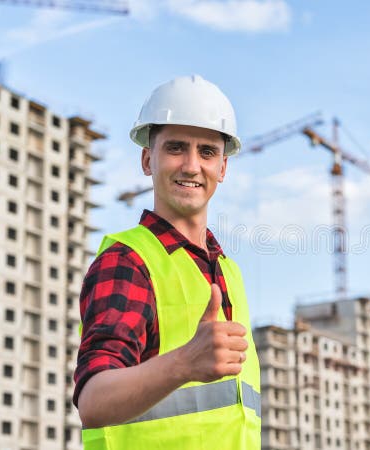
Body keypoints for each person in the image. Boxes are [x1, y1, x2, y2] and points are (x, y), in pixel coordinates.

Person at [74, 75, 261, 449]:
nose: (192, 166)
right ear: (148, 160)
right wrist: (185, 363)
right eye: (176, 148)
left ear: (223, 168)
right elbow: (93, 400)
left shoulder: (229, 272)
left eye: (207, 152)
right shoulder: (129, 260)